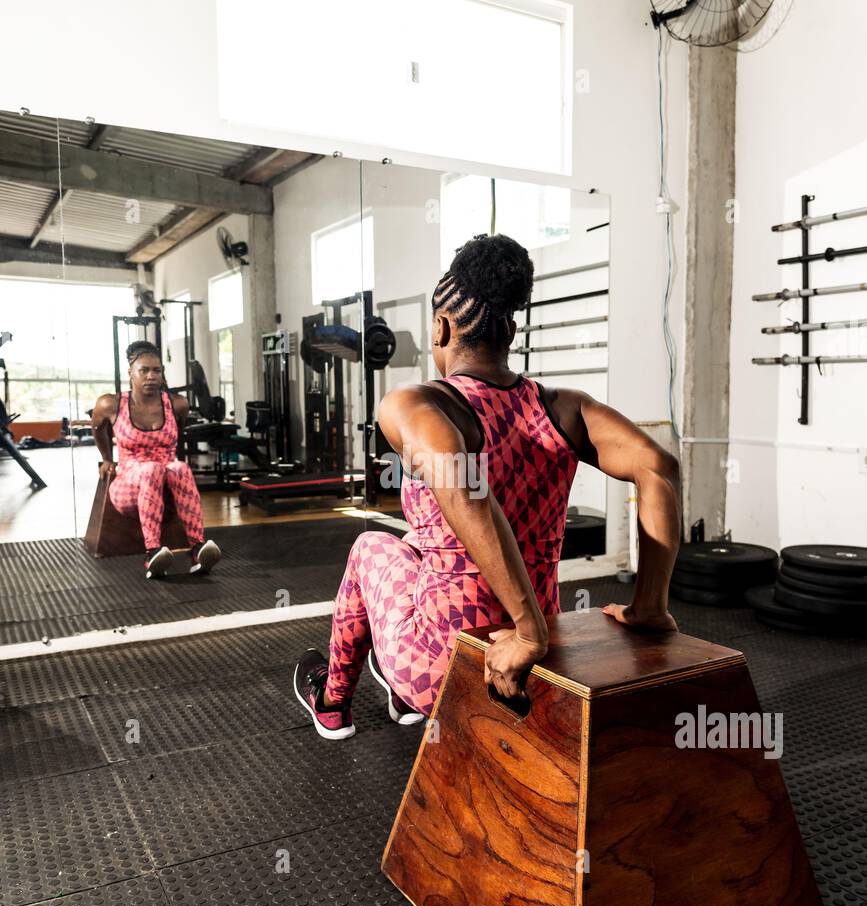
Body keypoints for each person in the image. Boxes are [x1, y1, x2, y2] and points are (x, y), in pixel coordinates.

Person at [294, 233, 680, 741]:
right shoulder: (564, 406)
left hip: (453, 666)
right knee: (413, 543)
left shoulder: (417, 404)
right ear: (511, 330)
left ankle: (333, 702)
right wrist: (648, 606)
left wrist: (527, 634)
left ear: (441, 326)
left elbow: (464, 488)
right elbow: (660, 467)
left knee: (370, 547)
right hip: (544, 655)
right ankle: (390, 684)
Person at [91, 341, 222, 578]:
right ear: (131, 373)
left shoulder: (177, 404)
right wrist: (107, 459)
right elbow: (98, 429)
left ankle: (198, 547)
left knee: (180, 467)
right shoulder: (111, 403)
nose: (151, 376)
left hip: (166, 487)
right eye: (144, 370)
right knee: (151, 469)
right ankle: (152, 552)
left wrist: (168, 469)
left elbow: (178, 434)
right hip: (128, 486)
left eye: (157, 370)